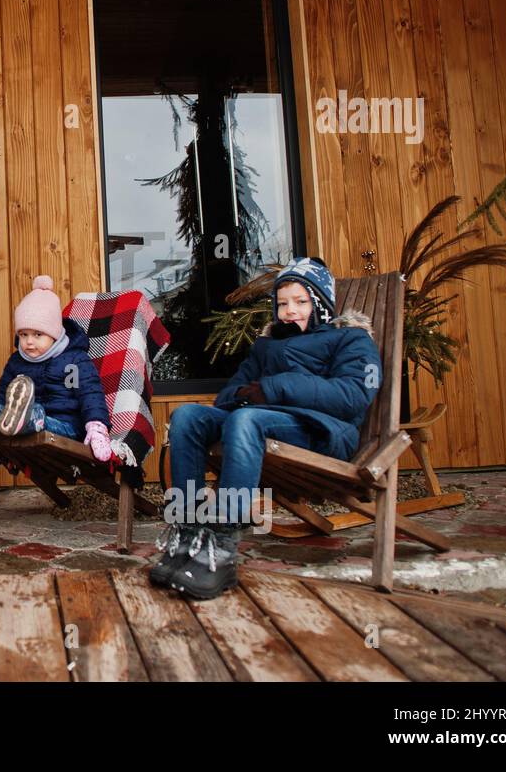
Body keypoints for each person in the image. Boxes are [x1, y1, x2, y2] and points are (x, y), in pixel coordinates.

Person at [154, 257, 380, 600]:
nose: (290, 311)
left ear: (320, 304)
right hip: (265, 422)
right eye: (283, 303)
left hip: (322, 432)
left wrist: (273, 389)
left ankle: (222, 552)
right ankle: (187, 536)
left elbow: (353, 396)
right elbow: (229, 395)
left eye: (301, 302)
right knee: (188, 417)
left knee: (246, 420)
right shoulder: (267, 345)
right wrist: (247, 394)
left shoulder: (350, 340)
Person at [0, 275, 113, 462]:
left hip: (65, 424)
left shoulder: (73, 361)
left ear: (55, 334)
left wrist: (96, 427)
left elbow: (90, 393)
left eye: (37, 334)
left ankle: (26, 417)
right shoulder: (17, 361)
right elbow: (4, 392)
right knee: (3, 406)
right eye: (23, 334)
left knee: (35, 417)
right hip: (17, 423)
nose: (29, 342)